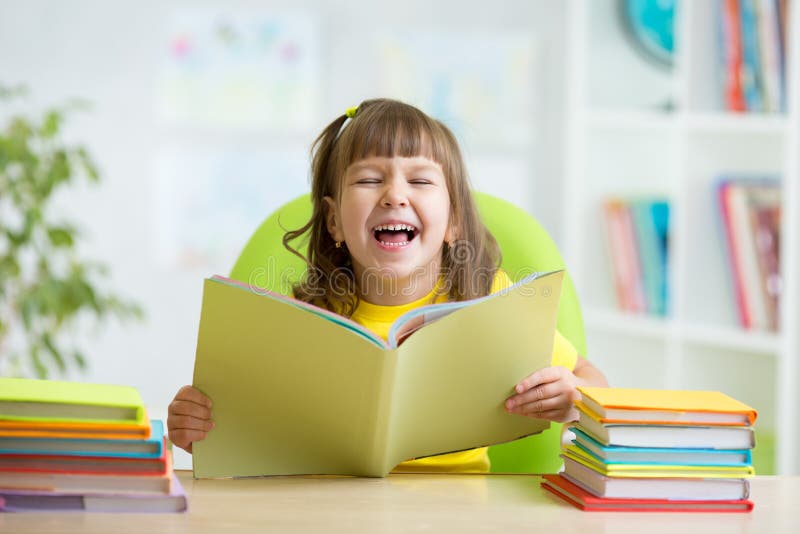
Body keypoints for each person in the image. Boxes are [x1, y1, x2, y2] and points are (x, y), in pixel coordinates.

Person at [167, 98, 608, 472]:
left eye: (419, 180)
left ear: (453, 220)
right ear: (335, 220)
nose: (394, 195)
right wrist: (198, 427)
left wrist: (575, 399)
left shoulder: (489, 301)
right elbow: (239, 435)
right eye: (369, 180)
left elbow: (597, 385)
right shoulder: (299, 321)